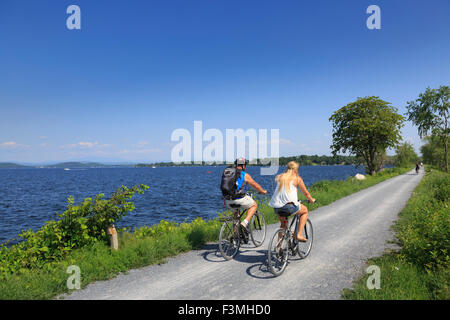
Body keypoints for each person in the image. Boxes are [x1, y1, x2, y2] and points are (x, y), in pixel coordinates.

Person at [269, 161, 315, 242]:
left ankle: (278, 248)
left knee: (283, 225)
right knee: (305, 211)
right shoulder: (297, 179)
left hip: (276, 207)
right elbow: (306, 193)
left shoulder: (280, 177)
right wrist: (311, 200)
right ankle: (299, 234)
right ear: (295, 170)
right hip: (289, 207)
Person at [224, 157, 267, 230]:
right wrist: (262, 191)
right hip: (238, 199)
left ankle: (235, 236)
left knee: (236, 216)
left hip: (228, 200)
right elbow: (255, 185)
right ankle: (245, 222)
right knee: (254, 205)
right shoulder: (244, 175)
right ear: (243, 166)